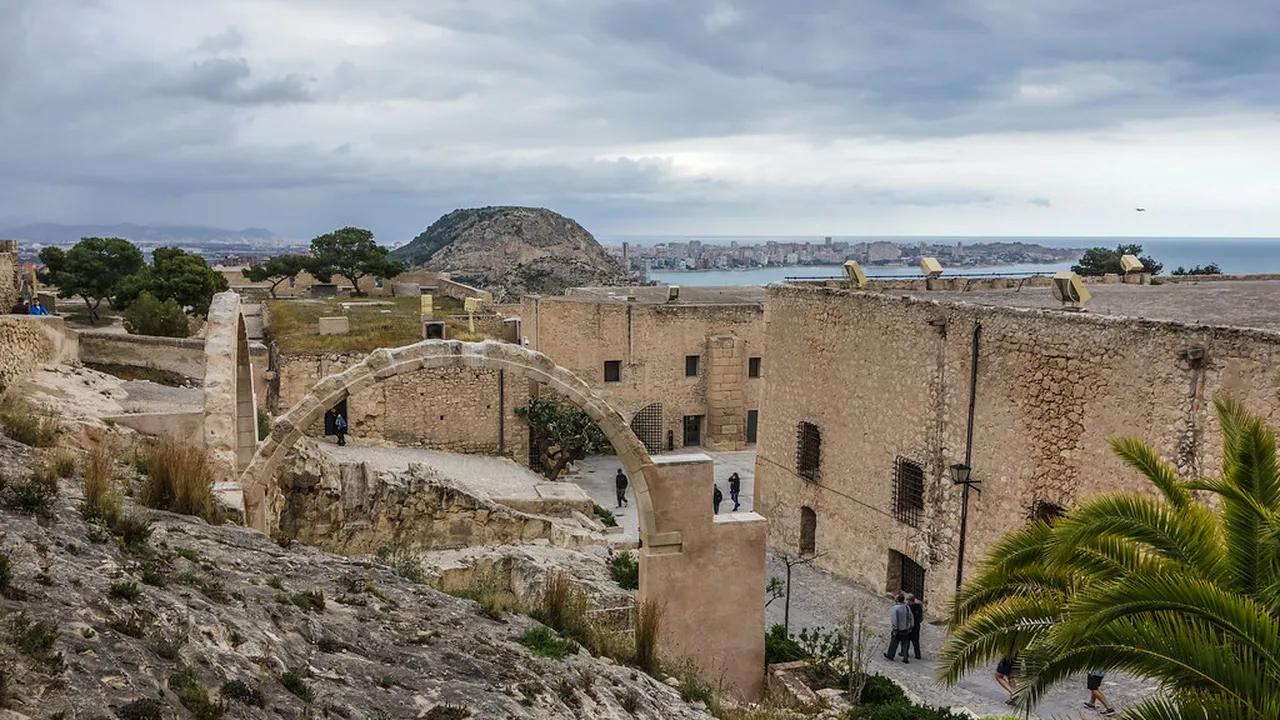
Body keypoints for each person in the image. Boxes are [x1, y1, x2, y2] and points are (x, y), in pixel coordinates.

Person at [883, 593, 914, 663]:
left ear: (897, 600)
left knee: (894, 642)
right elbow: (911, 617)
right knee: (905, 644)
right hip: (906, 629)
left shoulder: (895, 608)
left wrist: (895, 629)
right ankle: (905, 658)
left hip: (898, 629)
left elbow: (894, 620)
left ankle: (890, 655)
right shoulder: (907, 607)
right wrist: (911, 626)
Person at [906, 593, 924, 659]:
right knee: (916, 641)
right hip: (916, 626)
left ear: (909, 600)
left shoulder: (907, 607)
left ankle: (905, 653)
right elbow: (921, 618)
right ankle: (918, 655)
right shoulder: (919, 606)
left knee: (906, 640)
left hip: (909, 626)